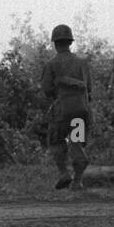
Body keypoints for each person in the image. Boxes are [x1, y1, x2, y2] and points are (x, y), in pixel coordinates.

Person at [41, 24, 93, 190]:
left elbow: (46, 89)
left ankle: (64, 173)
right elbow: (89, 88)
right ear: (70, 42)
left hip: (62, 110)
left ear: (55, 43)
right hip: (80, 109)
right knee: (76, 142)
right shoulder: (82, 63)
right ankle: (77, 181)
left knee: (56, 140)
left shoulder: (51, 64)